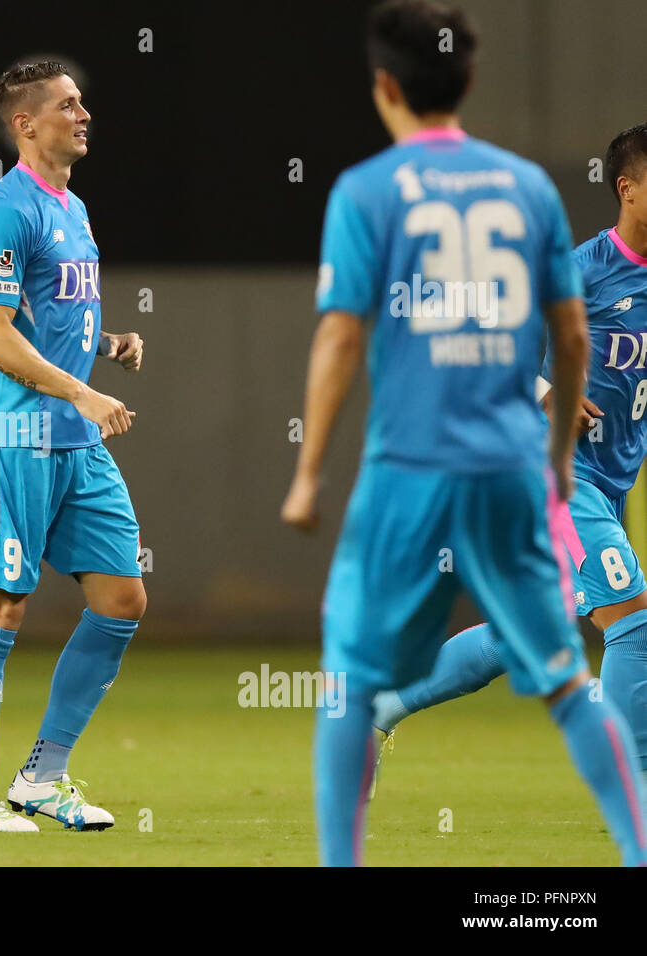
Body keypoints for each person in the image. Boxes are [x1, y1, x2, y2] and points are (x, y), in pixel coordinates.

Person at [281, 0, 647, 865]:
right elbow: (558, 333)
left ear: (384, 87)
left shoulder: (366, 190)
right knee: (609, 637)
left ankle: (369, 758)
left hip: (411, 467)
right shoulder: (524, 187)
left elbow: (340, 333)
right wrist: (556, 429)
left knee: (358, 673)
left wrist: (307, 473)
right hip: (532, 475)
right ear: (470, 79)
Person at [0, 61, 147, 832]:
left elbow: (47, 326)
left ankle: (42, 775)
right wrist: (82, 392)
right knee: (2, 600)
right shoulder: (8, 209)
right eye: (68, 104)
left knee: (121, 598)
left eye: (82, 101)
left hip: (72, 438)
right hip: (12, 435)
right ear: (25, 124)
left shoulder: (75, 207)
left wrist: (108, 342)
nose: (84, 112)